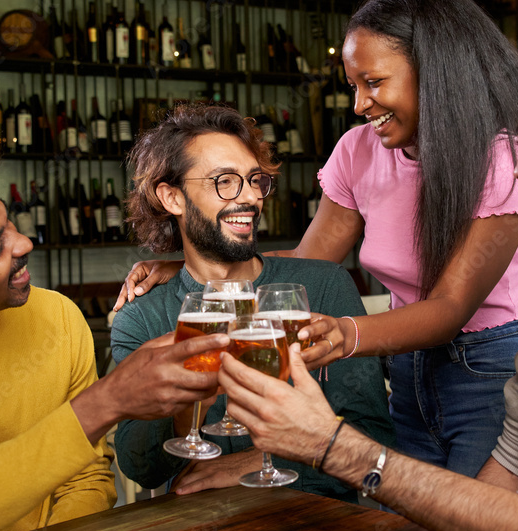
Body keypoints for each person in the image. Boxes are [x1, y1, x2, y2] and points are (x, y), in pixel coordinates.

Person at [116, 0, 518, 478]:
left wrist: (344, 334)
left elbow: (449, 310)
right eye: (353, 85)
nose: (360, 104)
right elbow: (311, 262)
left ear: (433, 72)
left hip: (487, 369)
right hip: (404, 367)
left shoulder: (501, 161)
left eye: (374, 82)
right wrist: (192, 263)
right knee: (418, 529)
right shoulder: (359, 151)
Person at [218, 30, 518, 531]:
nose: (513, 168)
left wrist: (332, 443)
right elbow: (514, 460)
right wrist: (197, 267)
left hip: (477, 363)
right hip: (411, 372)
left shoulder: (489, 163)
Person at [0, 107, 230, 531]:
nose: (24, 244)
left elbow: (86, 478)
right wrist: (107, 402)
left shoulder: (57, 319)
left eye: (10, 224)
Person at [111, 102, 395, 501]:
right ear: (172, 197)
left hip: (321, 529)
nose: (250, 198)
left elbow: (372, 433)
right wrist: (182, 405)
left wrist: (269, 460)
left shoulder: (325, 285)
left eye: (254, 180)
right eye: (225, 181)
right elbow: (139, 466)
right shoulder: (143, 316)